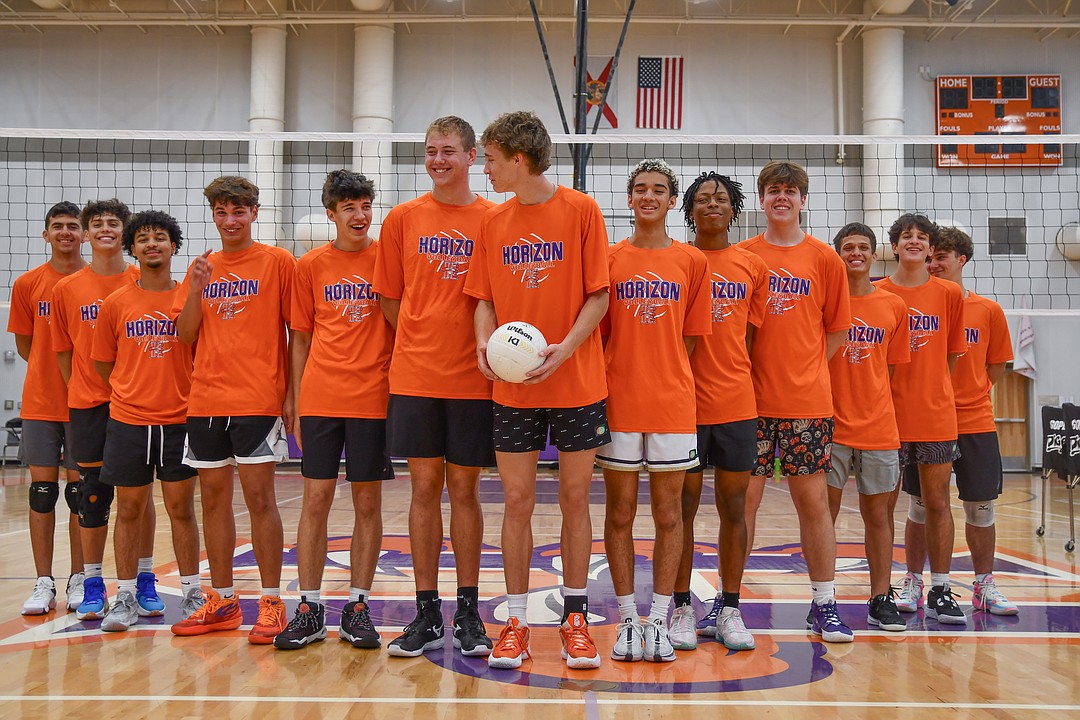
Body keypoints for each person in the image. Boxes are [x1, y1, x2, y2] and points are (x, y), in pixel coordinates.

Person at [464, 111, 611, 670]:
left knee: (575, 498)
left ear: (518, 159)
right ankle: (517, 622)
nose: (487, 171)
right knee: (517, 501)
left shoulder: (581, 210)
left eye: (491, 160)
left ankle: (576, 620)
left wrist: (565, 350)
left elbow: (599, 294)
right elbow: (484, 298)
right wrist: (484, 343)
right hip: (514, 386)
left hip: (575, 380)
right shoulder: (492, 222)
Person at [374, 117, 497, 658]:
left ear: (472, 157)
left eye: (448, 150)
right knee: (423, 489)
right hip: (417, 376)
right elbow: (390, 298)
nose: (438, 159)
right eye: (430, 151)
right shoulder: (402, 218)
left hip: (475, 378)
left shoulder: (495, 218)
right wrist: (423, 335)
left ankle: (468, 612)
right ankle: (426, 612)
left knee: (466, 491)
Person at [170, 176, 295, 644]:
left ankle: (271, 601)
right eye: (221, 212)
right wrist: (195, 290)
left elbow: (298, 331)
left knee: (261, 501)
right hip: (205, 401)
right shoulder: (202, 266)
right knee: (213, 502)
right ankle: (222, 600)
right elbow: (185, 334)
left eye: (238, 211)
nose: (230, 220)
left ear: (254, 213)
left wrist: (291, 395)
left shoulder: (277, 262)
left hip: (257, 399)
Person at [273, 170, 394, 651]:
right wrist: (295, 399)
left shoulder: (387, 259)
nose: (360, 216)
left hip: (373, 397)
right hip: (322, 398)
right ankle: (309, 609)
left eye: (365, 206)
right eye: (349, 208)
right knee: (316, 500)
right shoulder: (310, 266)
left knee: (367, 503)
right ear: (331, 213)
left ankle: (358, 606)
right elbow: (300, 338)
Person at [599, 160, 710, 663]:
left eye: (659, 190)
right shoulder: (608, 258)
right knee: (619, 513)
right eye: (640, 188)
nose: (648, 196)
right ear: (629, 198)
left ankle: (660, 620)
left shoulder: (692, 261)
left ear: (671, 201)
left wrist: (661, 371)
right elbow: (600, 334)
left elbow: (690, 338)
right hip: (619, 402)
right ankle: (628, 620)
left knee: (670, 513)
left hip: (672, 405)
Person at [740, 161, 854, 643]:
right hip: (748, 405)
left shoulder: (825, 259)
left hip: (807, 405)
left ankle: (824, 603)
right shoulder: (744, 255)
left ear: (803, 200)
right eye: (774, 190)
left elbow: (838, 330)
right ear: (762, 199)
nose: (782, 197)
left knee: (814, 506)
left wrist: (805, 368)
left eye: (790, 190)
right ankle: (728, 604)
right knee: (740, 505)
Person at [92, 211, 204, 631]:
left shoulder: (189, 298)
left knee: (181, 509)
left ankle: (192, 592)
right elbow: (104, 364)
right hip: (129, 421)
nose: (151, 244)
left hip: (179, 420)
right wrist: (131, 392)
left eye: (159, 237)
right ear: (132, 250)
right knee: (129, 509)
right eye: (142, 239)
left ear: (174, 246)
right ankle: (124, 596)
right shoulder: (116, 303)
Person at [670, 172, 767, 652]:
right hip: (682, 406)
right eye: (703, 199)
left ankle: (729, 608)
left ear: (734, 209)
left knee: (734, 506)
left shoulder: (751, 266)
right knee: (681, 510)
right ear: (689, 211)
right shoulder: (677, 260)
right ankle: (681, 608)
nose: (712, 204)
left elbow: (748, 340)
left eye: (721, 199)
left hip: (735, 404)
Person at [51, 199, 160, 622]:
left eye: (113, 223)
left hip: (136, 404)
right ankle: (92, 584)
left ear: (124, 232)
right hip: (90, 406)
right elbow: (63, 352)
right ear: (86, 234)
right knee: (91, 497)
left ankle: (144, 579)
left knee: (139, 498)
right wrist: (83, 388)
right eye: (96, 224)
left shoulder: (141, 278)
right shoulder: (67, 289)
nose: (105, 230)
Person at [875, 214, 967, 625]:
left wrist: (933, 389)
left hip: (934, 415)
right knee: (884, 507)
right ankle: (889, 589)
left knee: (937, 502)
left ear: (931, 249)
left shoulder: (948, 293)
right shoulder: (878, 291)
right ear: (894, 246)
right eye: (906, 236)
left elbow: (950, 355)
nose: (914, 241)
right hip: (886, 417)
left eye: (922, 237)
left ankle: (941, 589)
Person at [926, 226, 1018, 615]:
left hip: (975, 420)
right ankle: (917, 581)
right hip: (927, 419)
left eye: (940, 257)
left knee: (980, 508)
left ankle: (984, 585)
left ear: (961, 260)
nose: (933, 264)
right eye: (929, 258)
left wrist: (971, 393)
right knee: (922, 505)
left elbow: (997, 365)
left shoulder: (987, 310)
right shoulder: (919, 306)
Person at [826, 223, 910, 632]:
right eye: (848, 247)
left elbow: (890, 369)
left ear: (875, 255)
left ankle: (880, 598)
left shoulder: (893, 305)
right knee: (823, 518)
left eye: (863, 247)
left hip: (878, 428)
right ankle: (822, 599)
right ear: (837, 255)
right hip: (829, 427)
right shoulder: (824, 301)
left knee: (879, 517)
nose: (855, 253)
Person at [9, 202, 86, 615]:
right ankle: (43, 582)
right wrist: (47, 371)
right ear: (46, 234)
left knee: (80, 494)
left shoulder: (97, 281)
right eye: (57, 226)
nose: (65, 232)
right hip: (41, 402)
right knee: (41, 494)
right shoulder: (27, 283)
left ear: (84, 234)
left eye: (73, 226)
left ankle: (79, 578)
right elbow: (26, 345)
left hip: (84, 403)